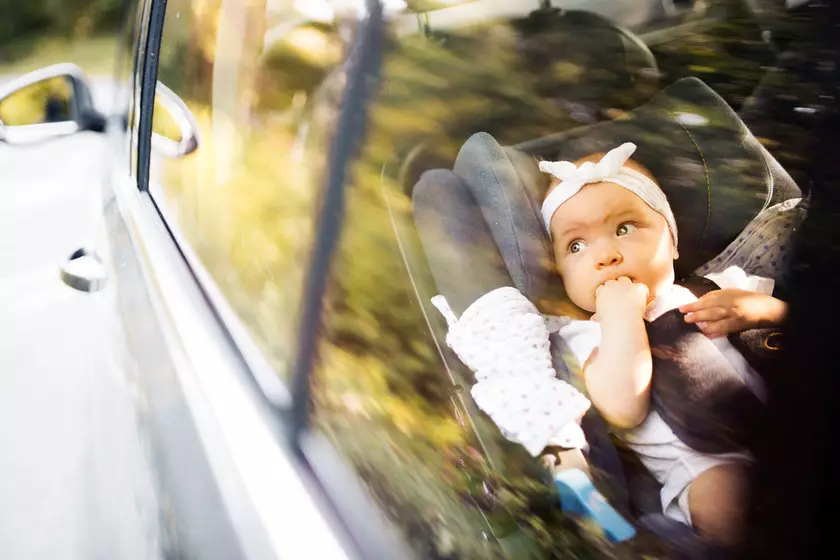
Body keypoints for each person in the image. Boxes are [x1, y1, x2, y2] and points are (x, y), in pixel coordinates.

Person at [435, 142, 791, 548]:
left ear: (671, 241)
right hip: (704, 466)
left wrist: (765, 311)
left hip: (788, 432)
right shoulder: (582, 337)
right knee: (728, 495)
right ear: (564, 278)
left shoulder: (721, 284)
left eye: (624, 228)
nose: (605, 254)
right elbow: (624, 407)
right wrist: (622, 318)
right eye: (576, 246)